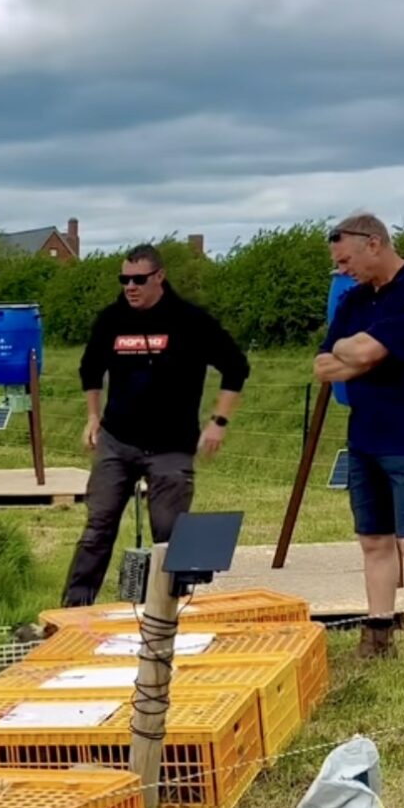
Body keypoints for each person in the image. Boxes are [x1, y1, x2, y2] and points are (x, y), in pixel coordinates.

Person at [61, 243, 250, 606]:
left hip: (171, 444)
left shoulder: (189, 320)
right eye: (124, 279)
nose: (130, 286)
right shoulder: (112, 320)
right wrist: (92, 416)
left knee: (169, 535)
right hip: (117, 441)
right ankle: (73, 610)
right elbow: (90, 369)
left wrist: (218, 422)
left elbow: (236, 367)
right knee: (98, 526)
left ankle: (168, 613)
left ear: (159, 277)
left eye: (138, 279)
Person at [314, 213, 404, 660]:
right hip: (365, 435)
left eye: (347, 260)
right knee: (374, 539)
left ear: (374, 244)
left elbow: (364, 351)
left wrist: (358, 353)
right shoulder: (352, 300)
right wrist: (361, 354)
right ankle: (378, 632)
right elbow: (323, 366)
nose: (343, 270)